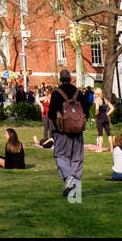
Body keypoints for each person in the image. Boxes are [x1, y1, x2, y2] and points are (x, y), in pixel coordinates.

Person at [47, 68, 87, 199]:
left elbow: (51, 112)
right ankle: (76, 194)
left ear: (60, 79)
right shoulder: (78, 93)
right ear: (70, 78)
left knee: (61, 156)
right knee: (77, 159)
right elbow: (86, 109)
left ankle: (69, 177)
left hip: (62, 132)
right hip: (78, 132)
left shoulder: (57, 94)